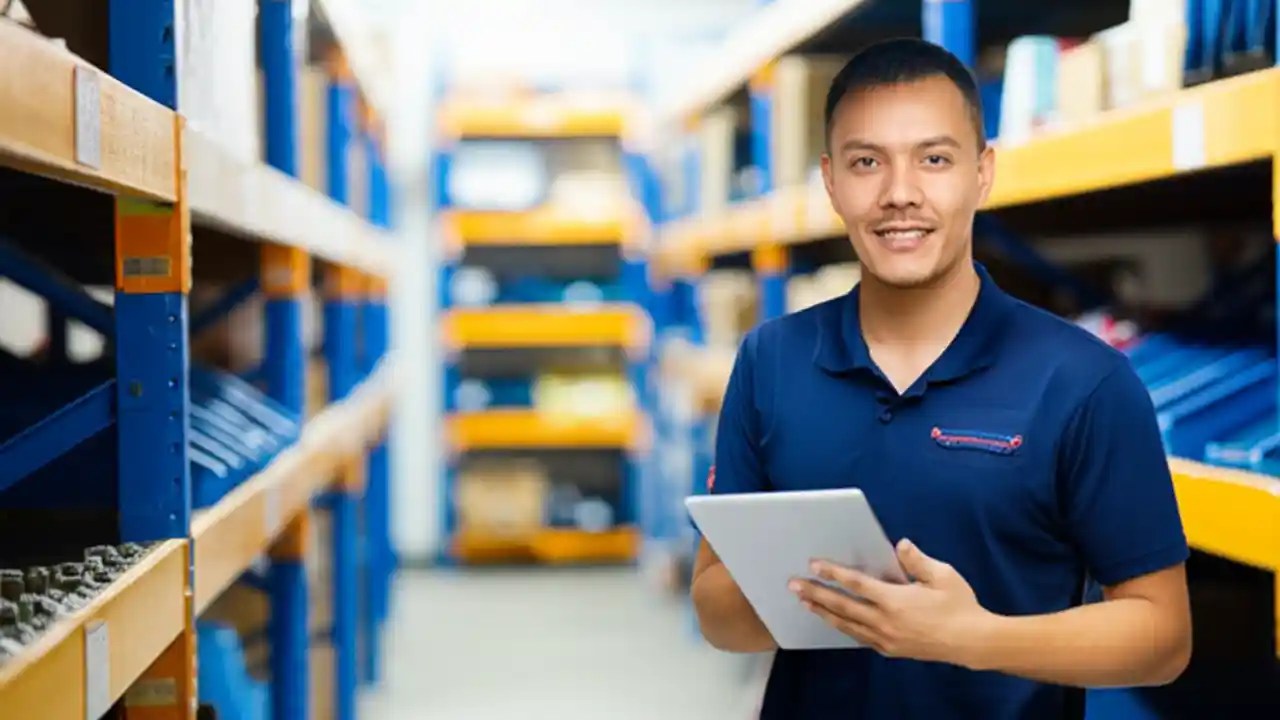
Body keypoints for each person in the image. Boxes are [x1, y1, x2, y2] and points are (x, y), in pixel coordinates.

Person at [689, 37, 1192, 719]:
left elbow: (1162, 634)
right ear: (831, 180)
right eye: (868, 163)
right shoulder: (770, 362)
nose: (901, 194)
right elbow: (715, 613)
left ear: (982, 173)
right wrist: (837, 601)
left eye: (934, 159)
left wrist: (973, 639)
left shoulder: (1083, 380)